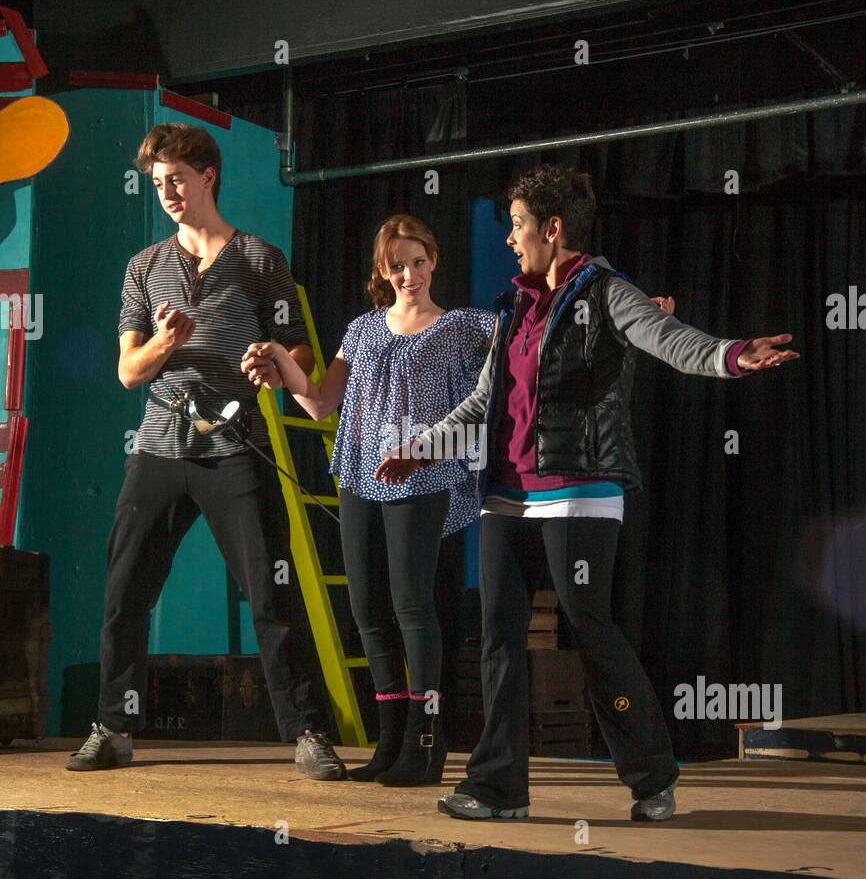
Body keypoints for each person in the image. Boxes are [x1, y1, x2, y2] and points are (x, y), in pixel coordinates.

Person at [375, 163, 799, 821]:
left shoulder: (605, 292)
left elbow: (670, 340)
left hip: (580, 488)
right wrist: (420, 448)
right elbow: (486, 401)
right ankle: (497, 789)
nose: (511, 239)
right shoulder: (512, 306)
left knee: (589, 629)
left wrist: (732, 355)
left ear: (552, 228)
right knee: (497, 638)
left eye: (518, 226)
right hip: (505, 494)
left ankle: (653, 775)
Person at [67, 122, 345, 780]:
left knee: (273, 593)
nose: (166, 191)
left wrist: (274, 360)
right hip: (160, 448)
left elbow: (301, 348)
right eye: (157, 182)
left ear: (207, 176)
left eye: (176, 180)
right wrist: (166, 342)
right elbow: (129, 371)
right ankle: (112, 728)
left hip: (236, 447)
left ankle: (306, 732)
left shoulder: (258, 259)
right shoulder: (145, 267)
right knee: (125, 592)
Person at [242, 215, 495, 785]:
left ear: (434, 260)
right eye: (398, 265)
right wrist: (281, 361)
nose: (410, 274)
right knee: (367, 609)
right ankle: (390, 739)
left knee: (411, 603)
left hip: (421, 476)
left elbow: (529, 336)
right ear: (383, 271)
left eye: (419, 261)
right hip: (361, 475)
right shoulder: (361, 331)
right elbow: (318, 402)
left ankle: (426, 742)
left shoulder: (463, 326)